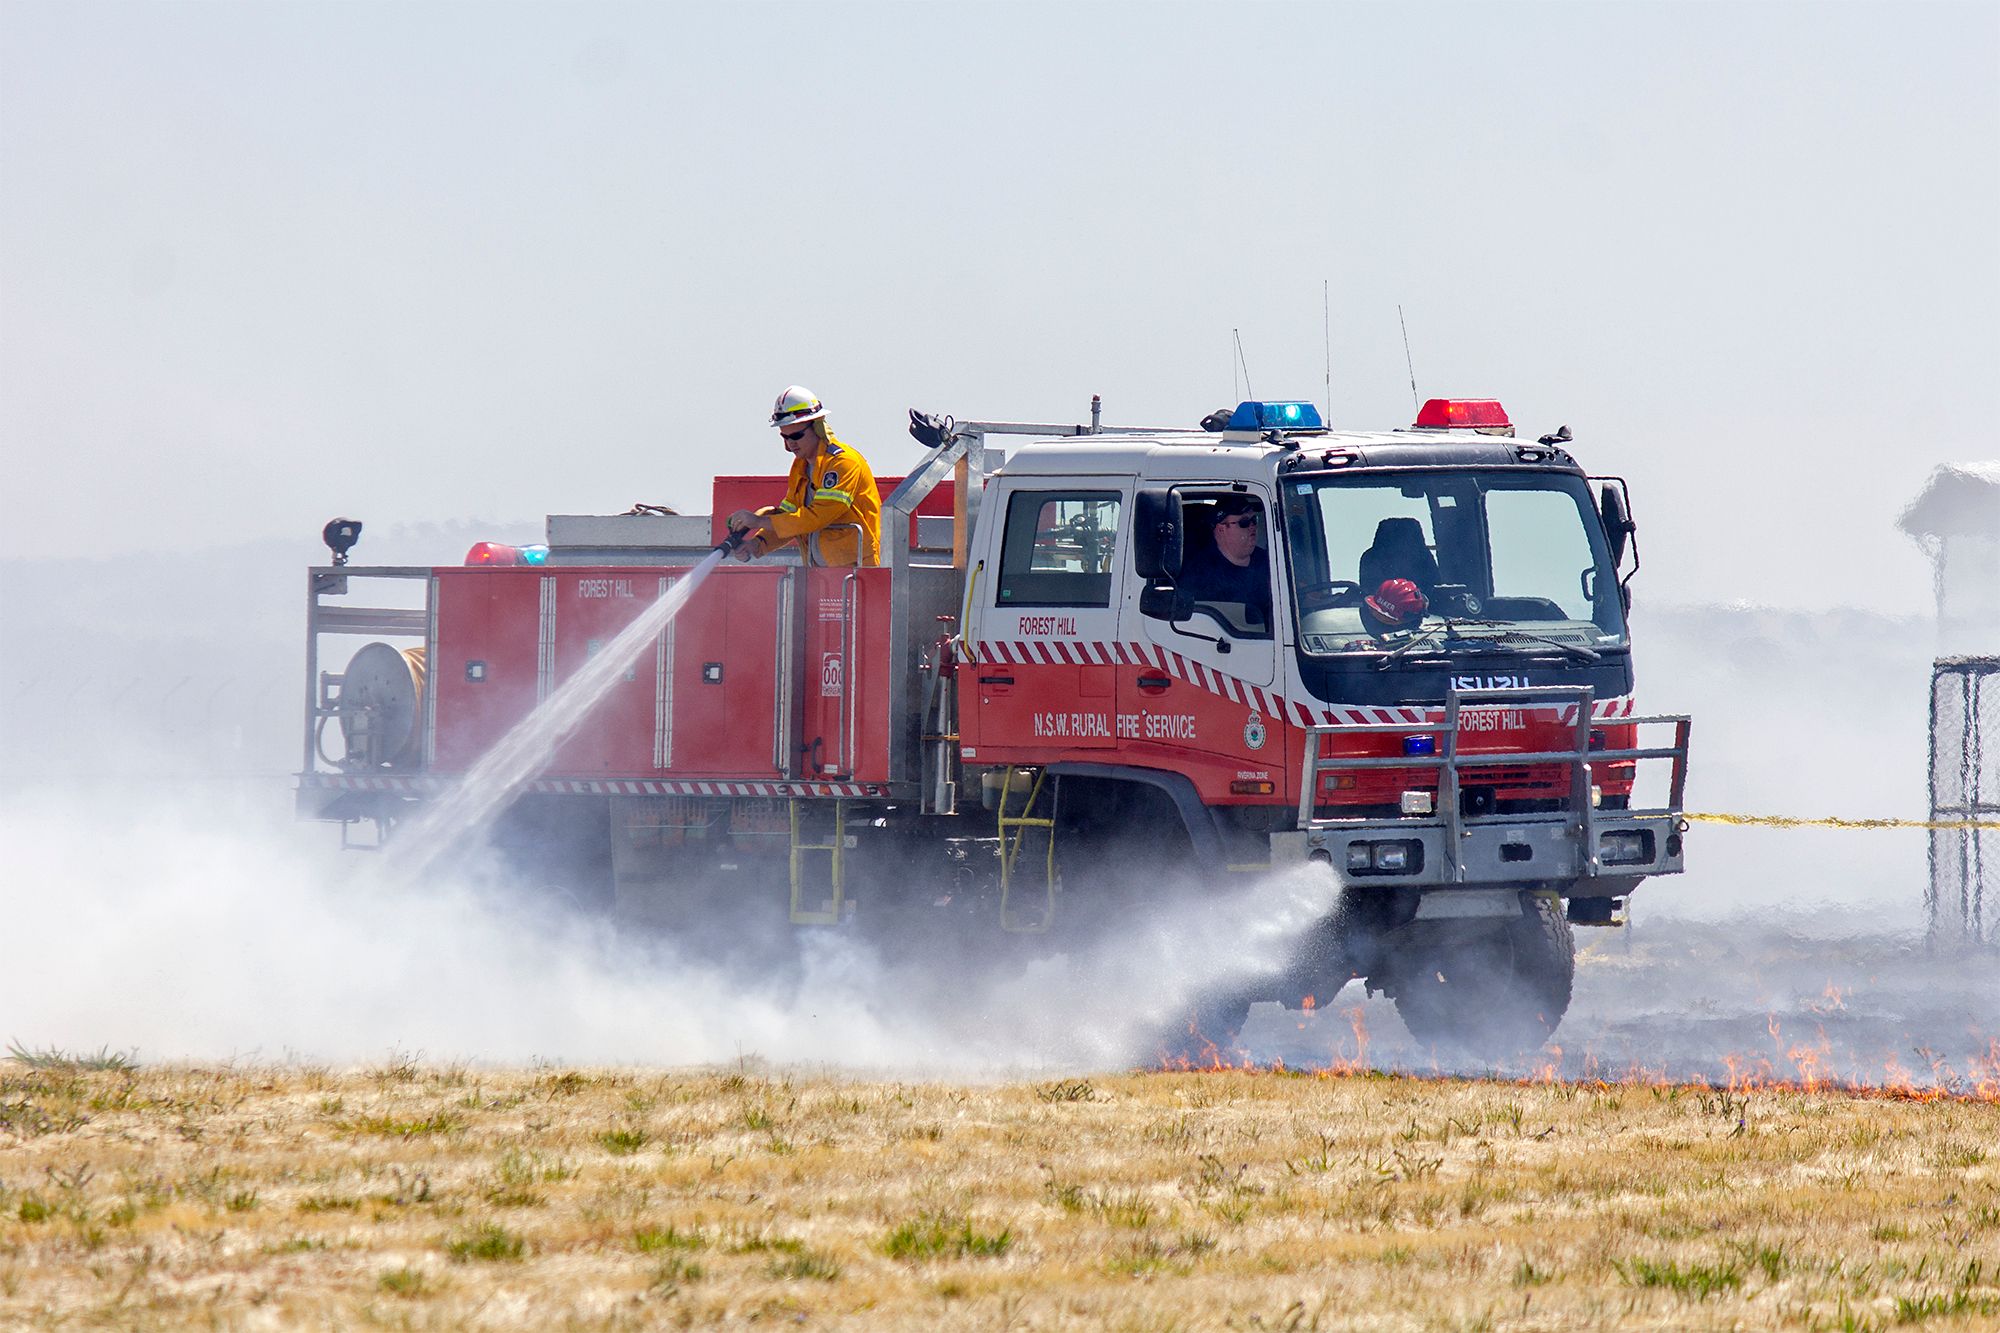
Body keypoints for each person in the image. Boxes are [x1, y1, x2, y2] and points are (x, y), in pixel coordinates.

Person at [726, 386, 881, 567]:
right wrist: (756, 544)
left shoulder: (843, 463)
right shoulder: (801, 466)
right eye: (784, 436)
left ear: (817, 427)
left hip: (858, 572)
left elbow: (818, 516)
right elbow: (791, 517)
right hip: (820, 574)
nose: (790, 443)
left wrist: (759, 521)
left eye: (796, 435)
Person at [1178, 495, 1272, 631]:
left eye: (1254, 520)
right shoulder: (1199, 573)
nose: (1252, 526)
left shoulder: (1269, 562)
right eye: (1244, 523)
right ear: (1221, 529)